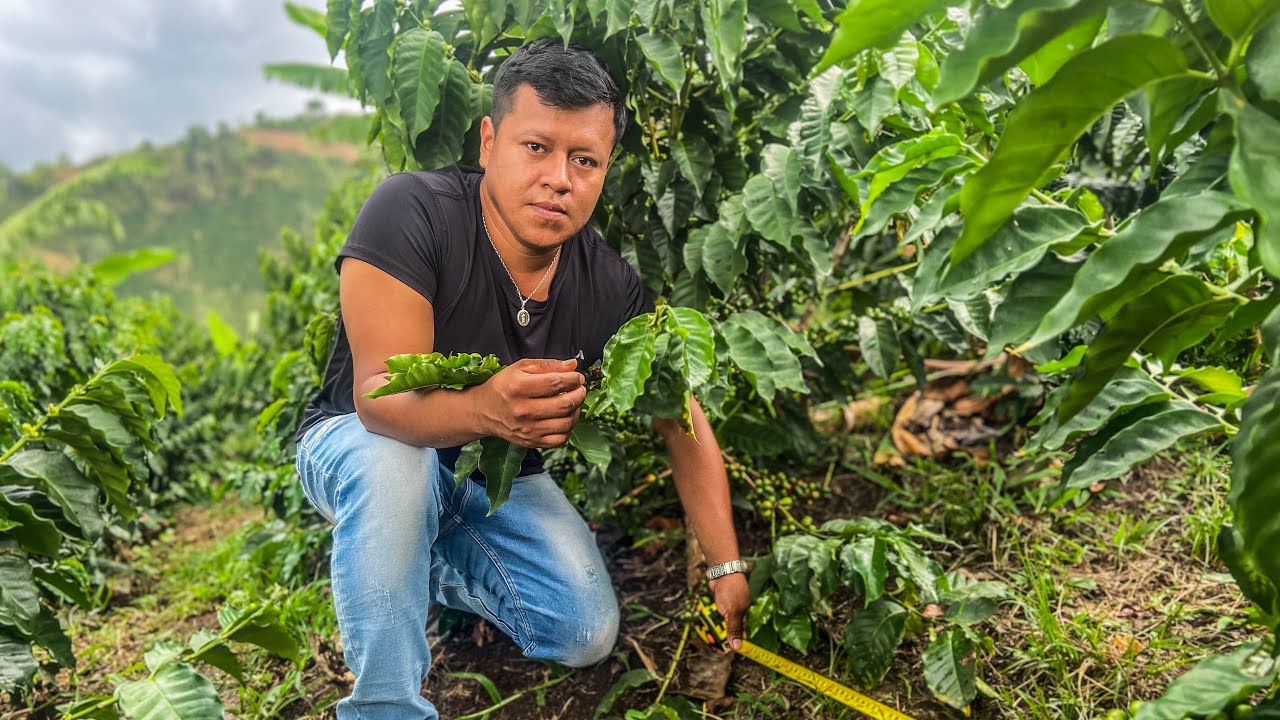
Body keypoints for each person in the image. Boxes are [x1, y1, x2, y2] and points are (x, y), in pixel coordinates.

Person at [294, 39, 748, 719]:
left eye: (584, 160)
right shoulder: (411, 211)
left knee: (583, 632)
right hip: (362, 441)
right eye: (537, 147)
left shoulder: (608, 287)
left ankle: (408, 558)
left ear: (604, 171)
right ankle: (385, 705)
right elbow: (381, 401)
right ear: (489, 141)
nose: (559, 178)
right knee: (398, 472)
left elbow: (677, 415)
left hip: (487, 473)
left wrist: (725, 567)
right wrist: (488, 409)